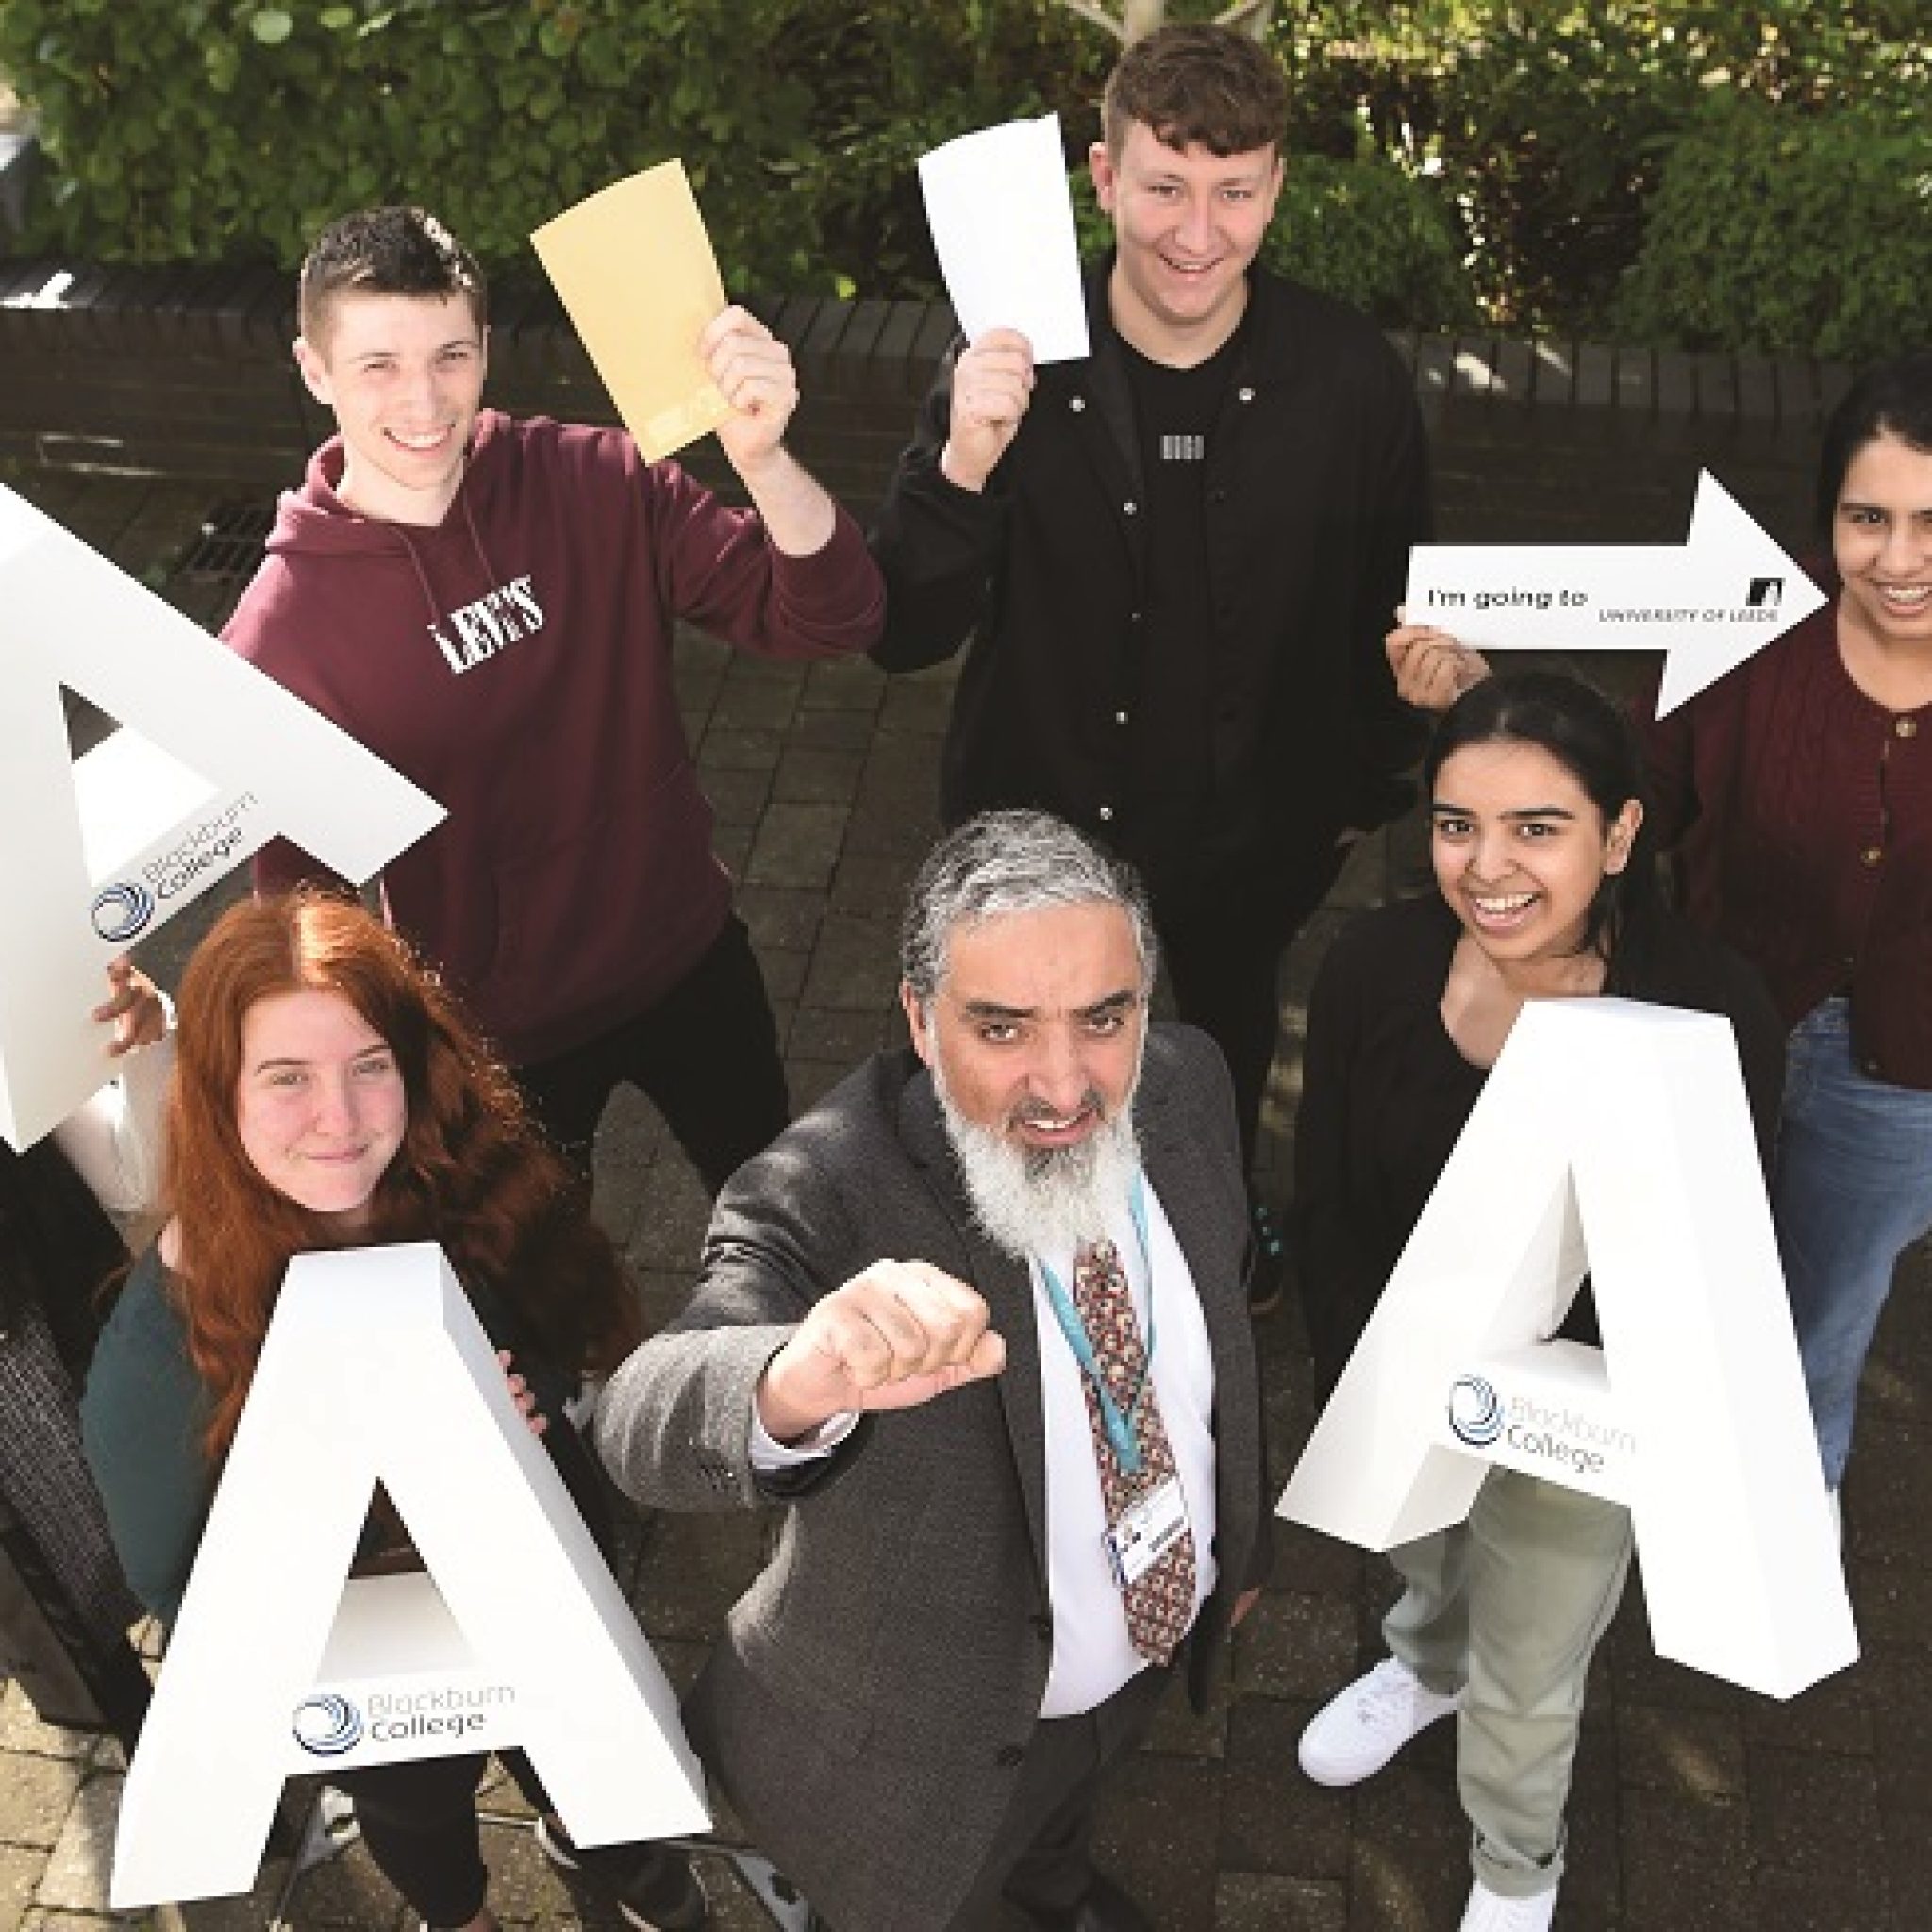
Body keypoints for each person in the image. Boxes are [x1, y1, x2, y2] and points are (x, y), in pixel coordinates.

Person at [595, 809, 1269, 1932]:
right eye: (1001, 1029)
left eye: (1102, 1017)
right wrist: (788, 1377)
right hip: (939, 1738)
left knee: (1061, 1836)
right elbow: (639, 1415)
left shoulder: (1190, 1085)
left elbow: (1221, 1356)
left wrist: (1232, 1545)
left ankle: (1054, 1889)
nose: (1063, 1087)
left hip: (1147, 1638)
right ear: (918, 1016)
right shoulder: (826, 1188)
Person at [870, 24, 1432, 1308]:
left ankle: (1211, 1257)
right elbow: (902, 626)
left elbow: (1396, 608)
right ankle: (1028, 1280)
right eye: (1167, 185)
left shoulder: (1351, 382)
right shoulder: (1011, 363)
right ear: (1105, 175)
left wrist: (1364, 792)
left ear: (1278, 186)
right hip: (1040, 830)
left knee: (1217, 1050)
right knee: (1027, 1065)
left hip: (1258, 840)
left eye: (1235, 192)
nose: (1199, 229)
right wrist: (963, 456)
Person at [225, 204, 885, 1190]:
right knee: (542, 1309)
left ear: (486, 347)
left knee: (783, 1228)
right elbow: (303, 914)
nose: (423, 400)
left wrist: (762, 459)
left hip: (686, 951)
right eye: (378, 365)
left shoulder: (596, 477)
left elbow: (831, 617)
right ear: (314, 369)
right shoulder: (278, 638)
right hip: (495, 1033)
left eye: (450, 355)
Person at [81, 893, 706, 1932]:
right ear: (218, 1092)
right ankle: (456, 1915)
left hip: (543, 1580)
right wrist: (338, 1495)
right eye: (286, 1077)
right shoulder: (161, 1352)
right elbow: (183, 1598)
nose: (341, 1115)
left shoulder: (470, 1182)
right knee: (414, 1805)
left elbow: (568, 1345)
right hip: (373, 1682)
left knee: (581, 1743)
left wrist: (528, 1405)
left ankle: (611, 1848)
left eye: (370, 1063)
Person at [1387, 350, 1932, 1497]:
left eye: (1929, 521)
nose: (1897, 559)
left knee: (1819, 1311)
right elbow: (1628, 801)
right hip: (1714, 1025)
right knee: (1670, 1279)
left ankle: (1784, 1503)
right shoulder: (1746, 627)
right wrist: (1497, 720)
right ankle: (1648, 1482)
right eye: (1865, 516)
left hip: (1906, 1076)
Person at [1291, 673, 1783, 1932]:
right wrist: (1361, 1384)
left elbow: (1723, 1260)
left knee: (1533, 1667)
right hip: (1411, 1382)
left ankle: (1518, 1864)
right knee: (1428, 1563)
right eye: (1459, 824)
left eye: (1538, 828)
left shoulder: (1710, 1007)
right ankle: (1422, 1666)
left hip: (1581, 1423)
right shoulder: (1372, 967)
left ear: (1619, 835)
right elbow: (1330, 1205)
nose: (1487, 867)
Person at [1, 961, 171, 1757]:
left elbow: (137, 1175)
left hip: (80, 1332)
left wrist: (144, 1042)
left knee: (184, 1553)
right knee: (82, 1631)